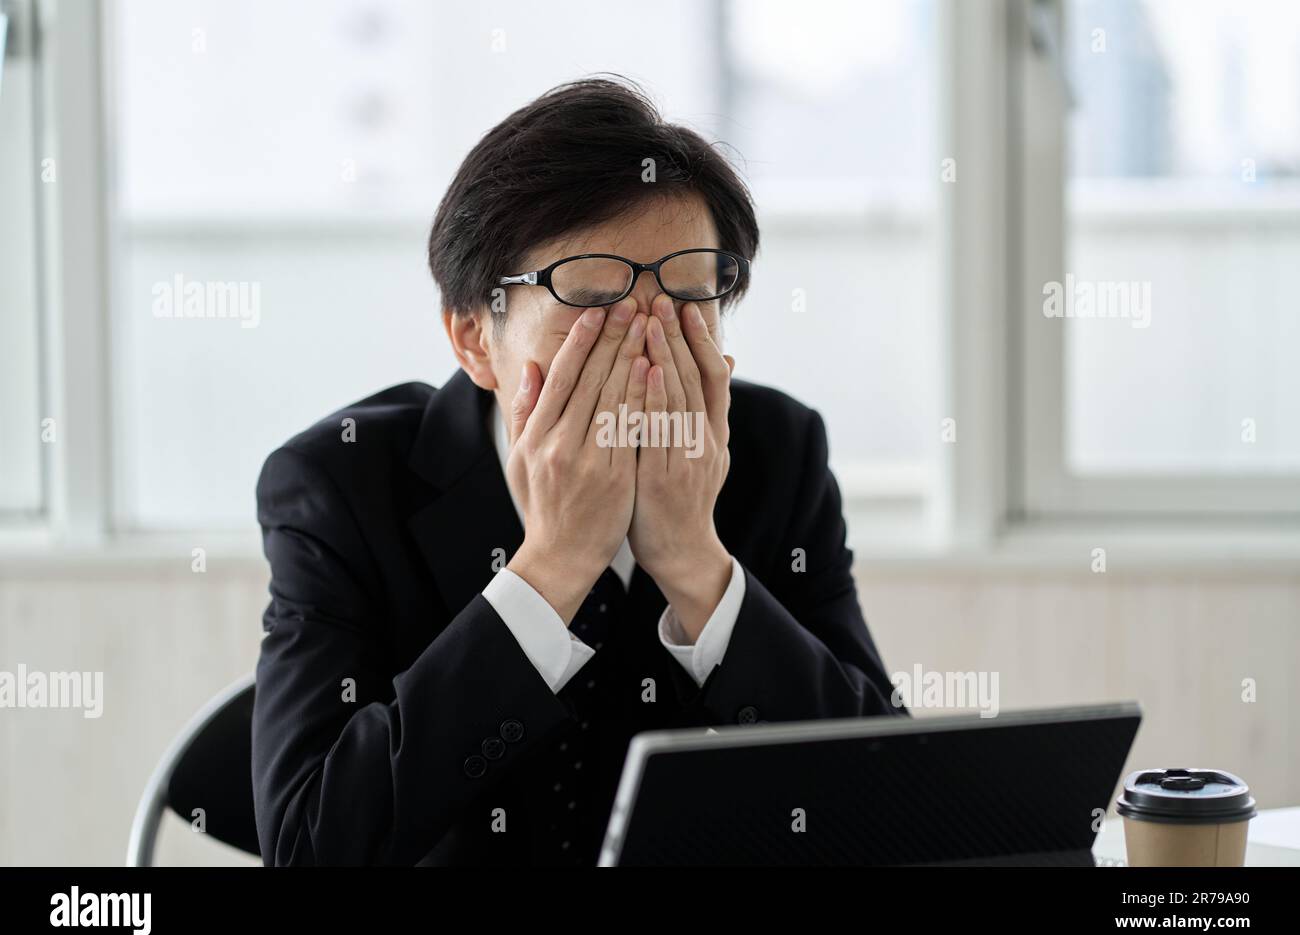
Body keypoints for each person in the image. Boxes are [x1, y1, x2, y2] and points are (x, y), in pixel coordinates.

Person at [251, 76, 905, 866]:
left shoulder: (776, 452)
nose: (644, 343)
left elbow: (890, 807)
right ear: (472, 338)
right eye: (593, 302)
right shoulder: (341, 488)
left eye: (688, 297)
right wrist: (551, 566)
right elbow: (310, 846)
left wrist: (696, 564)